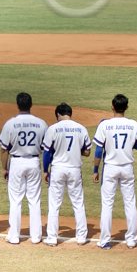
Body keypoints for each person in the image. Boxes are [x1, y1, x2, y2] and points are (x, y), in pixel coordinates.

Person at [91, 93, 137, 249]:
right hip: (127, 168)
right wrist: (129, 144)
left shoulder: (105, 125)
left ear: (112, 107)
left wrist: (95, 169)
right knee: (130, 203)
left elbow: (98, 150)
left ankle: (105, 240)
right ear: (126, 107)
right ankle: (131, 240)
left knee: (107, 204)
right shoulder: (133, 124)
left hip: (110, 168)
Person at [0, 92, 47, 245]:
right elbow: (46, 149)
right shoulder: (41, 123)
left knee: (15, 200)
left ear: (17, 105)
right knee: (34, 200)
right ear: (31, 105)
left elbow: (4, 149)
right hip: (34, 162)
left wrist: (4, 168)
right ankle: (36, 236)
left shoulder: (10, 123)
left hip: (16, 163)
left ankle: (14, 236)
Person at [42, 102, 91, 246]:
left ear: (58, 114)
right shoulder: (81, 128)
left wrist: (45, 170)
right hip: (74, 169)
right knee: (78, 203)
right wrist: (76, 150)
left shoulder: (53, 129)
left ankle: (52, 238)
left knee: (54, 204)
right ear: (70, 113)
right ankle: (81, 237)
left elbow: (46, 153)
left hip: (57, 169)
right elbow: (87, 152)